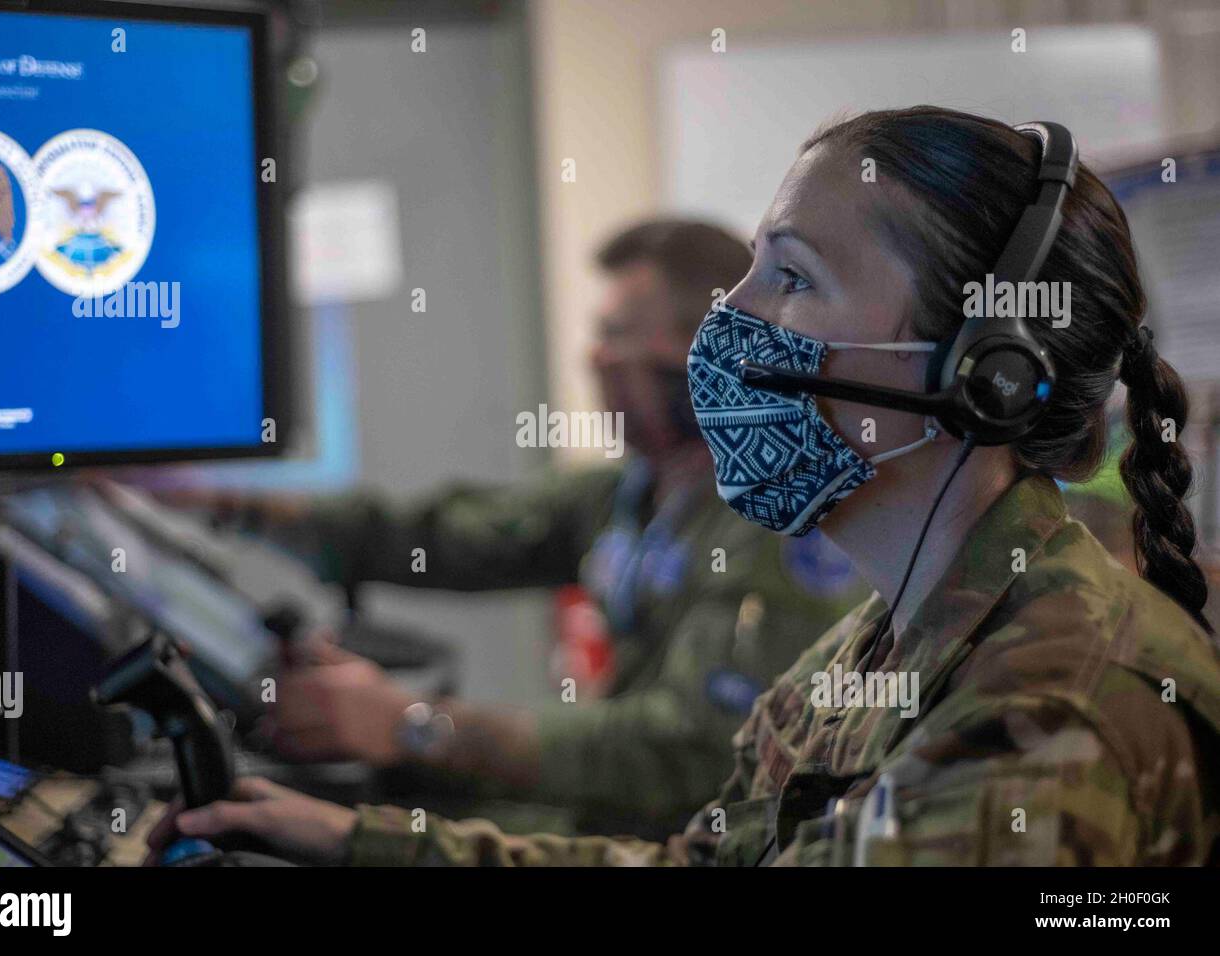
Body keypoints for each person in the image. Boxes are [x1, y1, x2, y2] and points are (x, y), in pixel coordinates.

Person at [148, 106, 1220, 866]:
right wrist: (353, 841)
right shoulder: (874, 642)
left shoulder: (1054, 704)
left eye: (791, 277)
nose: (729, 321)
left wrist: (414, 735)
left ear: (981, 373)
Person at [182, 219, 868, 841]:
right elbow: (440, 539)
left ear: (708, 353)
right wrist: (223, 500)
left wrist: (414, 725)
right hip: (618, 823)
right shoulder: (632, 492)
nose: (598, 360)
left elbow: (691, 750)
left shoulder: (779, 518)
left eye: (618, 337)